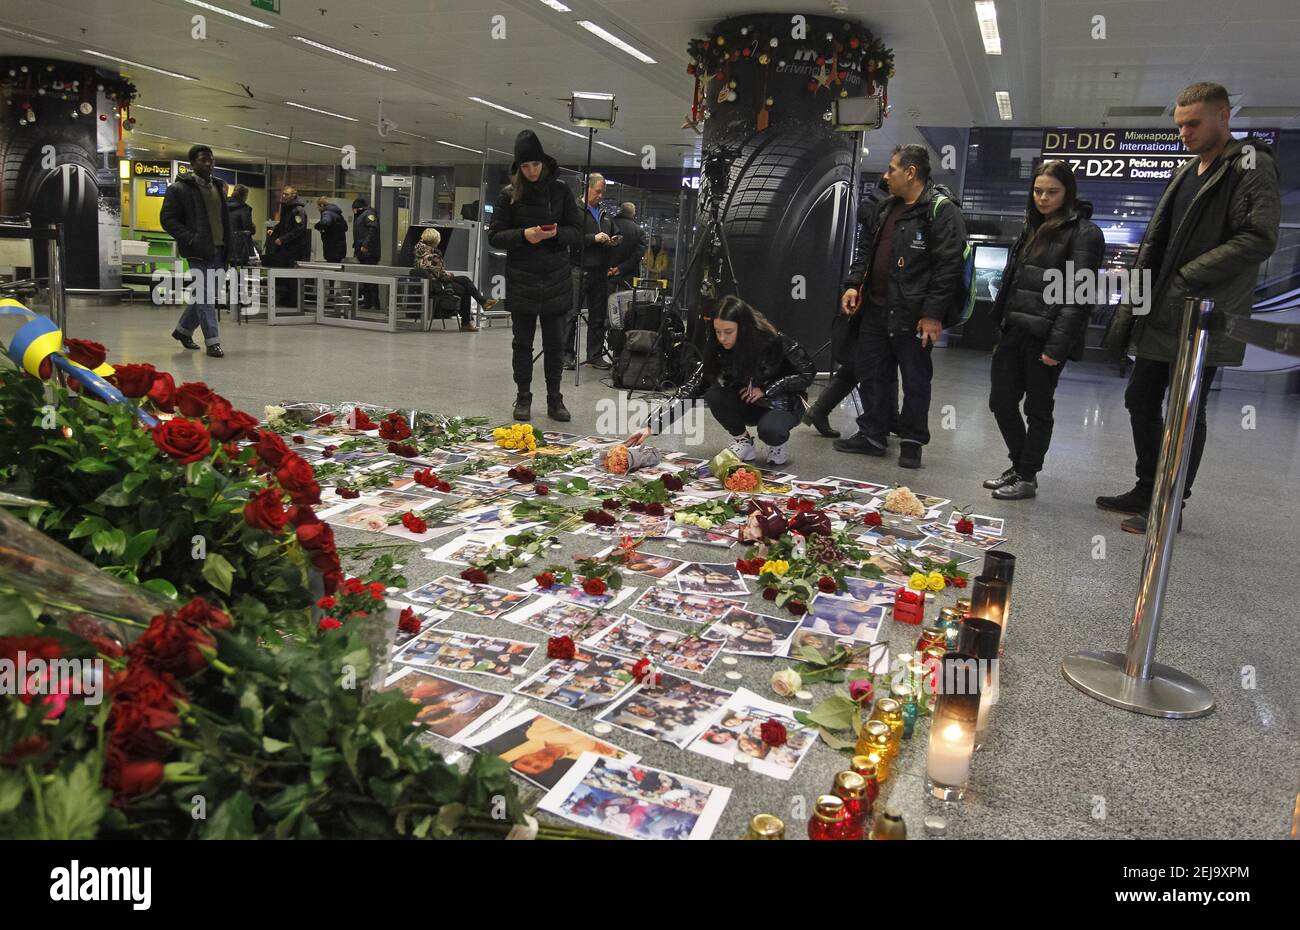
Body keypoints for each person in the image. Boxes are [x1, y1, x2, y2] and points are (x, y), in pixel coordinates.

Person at [1099, 81, 1280, 533]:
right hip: (1163, 309)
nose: (1184, 132)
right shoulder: (1189, 170)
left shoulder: (1250, 166)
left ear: (1224, 116)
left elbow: (1259, 237)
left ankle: (1170, 504)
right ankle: (1148, 486)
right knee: (1140, 396)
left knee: (1185, 410)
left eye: (1194, 123)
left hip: (1201, 312)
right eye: (1180, 125)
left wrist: (1187, 276)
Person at [833, 144, 968, 469]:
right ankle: (874, 435)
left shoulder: (940, 210)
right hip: (876, 309)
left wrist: (933, 314)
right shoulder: (886, 208)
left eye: (892, 169)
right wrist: (853, 284)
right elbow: (865, 249)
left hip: (914, 314)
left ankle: (911, 442)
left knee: (915, 378)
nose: (885, 175)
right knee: (871, 372)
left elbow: (948, 266)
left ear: (911, 172)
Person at [983, 160, 1104, 500]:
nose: (1043, 197)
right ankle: (1020, 466)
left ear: (1068, 192)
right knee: (1001, 402)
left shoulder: (1084, 234)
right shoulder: (1032, 226)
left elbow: (1079, 296)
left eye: (1052, 191)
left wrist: (1057, 346)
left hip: (1046, 335)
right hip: (1015, 330)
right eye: (1038, 190)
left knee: (1037, 409)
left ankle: (1026, 475)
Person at [626, 295, 815, 467]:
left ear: (744, 327)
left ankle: (778, 444)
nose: (722, 338)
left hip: (781, 404)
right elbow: (691, 388)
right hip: (748, 401)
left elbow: (808, 372)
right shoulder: (718, 348)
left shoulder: (774, 340)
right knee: (714, 395)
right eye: (717, 332)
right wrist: (652, 425)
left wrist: (767, 389)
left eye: (728, 331)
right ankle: (743, 442)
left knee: (771, 431)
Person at [488, 129, 584, 423]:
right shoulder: (509, 195)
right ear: (518, 167)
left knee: (555, 345)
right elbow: (495, 236)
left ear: (543, 162)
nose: (531, 171)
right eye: (525, 166)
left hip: (556, 279)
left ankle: (555, 399)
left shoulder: (561, 191)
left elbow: (579, 232)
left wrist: (557, 235)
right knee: (522, 344)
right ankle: (523, 397)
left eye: (535, 165)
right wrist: (523, 235)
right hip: (522, 280)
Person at [803, 175, 897, 438]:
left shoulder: (878, 205)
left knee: (866, 362)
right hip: (871, 301)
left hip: (868, 298)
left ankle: (822, 410)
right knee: (870, 363)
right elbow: (867, 255)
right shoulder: (880, 208)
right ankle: (885, 420)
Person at [159, 144, 231, 359]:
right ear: (192, 163)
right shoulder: (178, 189)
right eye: (202, 160)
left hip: (219, 250)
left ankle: (182, 331)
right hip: (198, 251)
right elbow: (167, 220)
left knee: (205, 295)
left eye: (211, 160)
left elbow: (223, 221)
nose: (208, 163)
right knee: (205, 296)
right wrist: (191, 239)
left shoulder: (219, 187)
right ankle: (213, 342)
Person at [567, 173, 617, 370]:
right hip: (579, 269)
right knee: (572, 314)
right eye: (598, 192)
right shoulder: (574, 212)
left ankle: (595, 355)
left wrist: (615, 238)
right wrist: (593, 239)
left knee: (598, 316)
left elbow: (615, 230)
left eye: (603, 193)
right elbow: (569, 237)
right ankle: (566, 354)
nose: (600, 196)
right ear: (587, 188)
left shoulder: (604, 214)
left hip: (600, 270)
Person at [413, 227, 498, 331]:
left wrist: (448, 274)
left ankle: (482, 303)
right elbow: (442, 276)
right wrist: (450, 275)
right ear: (435, 241)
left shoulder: (419, 251)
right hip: (437, 285)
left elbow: (435, 272)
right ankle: (469, 320)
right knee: (465, 288)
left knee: (465, 280)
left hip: (433, 282)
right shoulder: (432, 256)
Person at [265, 185, 310, 308]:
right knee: (285, 274)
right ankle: (286, 298)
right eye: (283, 194)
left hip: (294, 248)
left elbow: (298, 230)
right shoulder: (287, 209)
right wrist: (274, 230)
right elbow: (283, 224)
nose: (284, 196)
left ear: (294, 195)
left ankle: (293, 301)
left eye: (287, 194)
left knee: (292, 276)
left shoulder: (298, 210)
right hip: (286, 248)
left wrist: (282, 239)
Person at [607, 202, 646, 292]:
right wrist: (620, 268)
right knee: (625, 303)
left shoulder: (609, 224)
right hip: (628, 276)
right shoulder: (639, 231)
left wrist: (609, 268)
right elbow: (637, 256)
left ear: (620, 211)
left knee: (604, 302)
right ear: (633, 213)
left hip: (607, 273)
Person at [352, 197, 382, 308]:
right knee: (366, 279)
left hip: (369, 253)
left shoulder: (368, 214)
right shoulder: (361, 216)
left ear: (356, 208)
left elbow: (373, 230)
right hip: (363, 253)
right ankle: (368, 302)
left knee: (372, 280)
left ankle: (374, 303)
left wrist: (365, 245)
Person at [314, 196, 348, 262]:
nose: (317, 208)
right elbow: (345, 228)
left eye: (318, 206)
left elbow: (325, 222)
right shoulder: (338, 214)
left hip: (331, 248)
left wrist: (317, 226)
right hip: (340, 247)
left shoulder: (326, 213)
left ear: (321, 205)